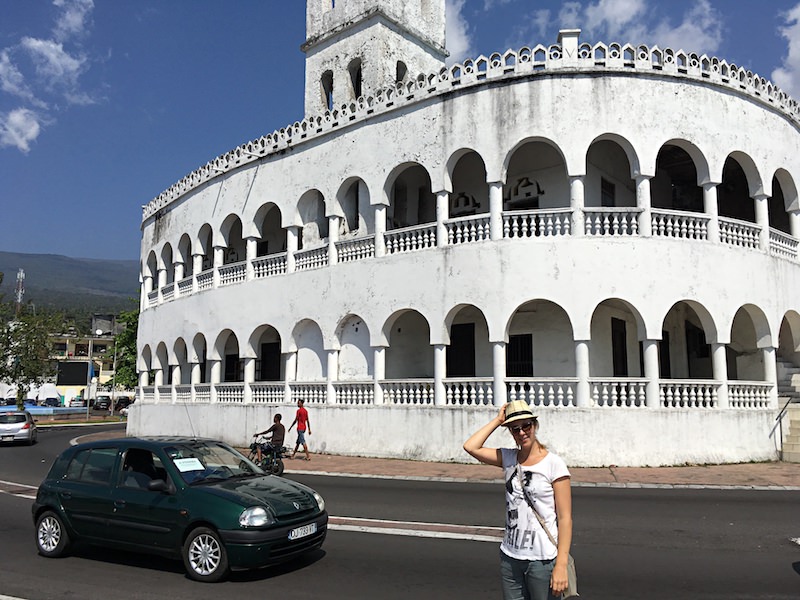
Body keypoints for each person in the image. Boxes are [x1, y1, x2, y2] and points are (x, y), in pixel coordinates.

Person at [463, 400, 573, 600]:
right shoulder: (508, 458)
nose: (522, 432)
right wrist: (497, 421)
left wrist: (561, 565)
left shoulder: (554, 464)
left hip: (542, 560)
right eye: (515, 429)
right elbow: (470, 446)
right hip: (510, 557)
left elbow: (565, 519)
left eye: (526, 426)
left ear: (535, 425)